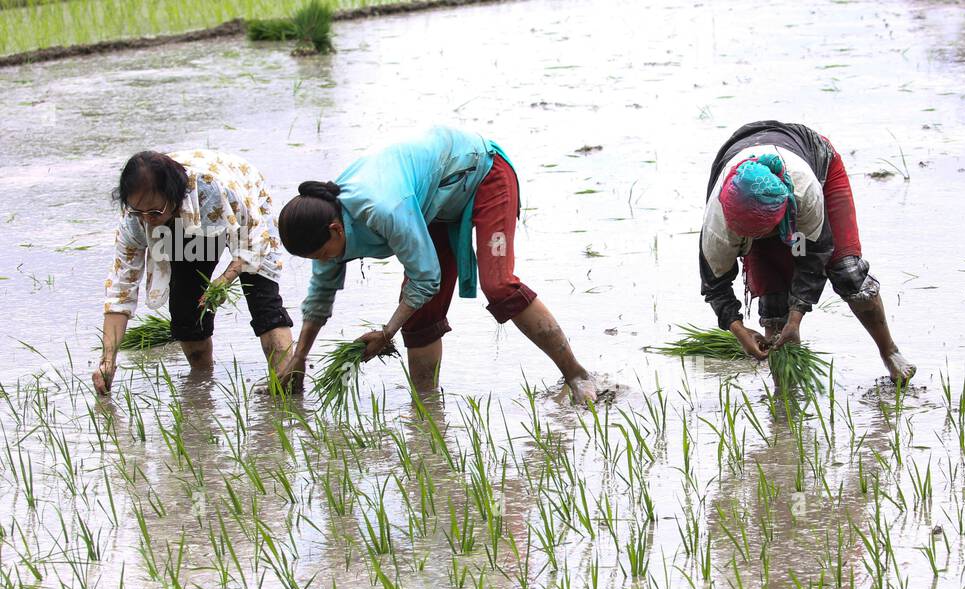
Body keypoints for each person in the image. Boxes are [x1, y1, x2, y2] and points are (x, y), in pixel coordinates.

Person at [275, 124, 596, 402]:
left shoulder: (383, 208)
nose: (323, 262)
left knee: (498, 285)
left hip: (482, 172)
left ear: (335, 229)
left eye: (321, 255)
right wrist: (299, 357)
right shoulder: (326, 222)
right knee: (420, 315)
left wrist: (386, 333)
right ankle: (427, 410)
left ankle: (577, 375)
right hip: (433, 204)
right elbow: (321, 292)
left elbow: (425, 278)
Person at [698, 120, 915, 382]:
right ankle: (786, 390)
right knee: (773, 300)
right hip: (750, 198)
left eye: (766, 233)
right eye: (753, 236)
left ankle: (888, 351)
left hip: (817, 164)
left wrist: (797, 317)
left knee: (848, 272)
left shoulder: (804, 191)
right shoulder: (719, 222)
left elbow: (815, 255)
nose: (766, 240)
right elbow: (714, 284)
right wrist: (738, 329)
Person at [95, 150, 295, 395]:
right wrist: (108, 361)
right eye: (139, 213)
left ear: (174, 196)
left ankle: (288, 390)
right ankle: (202, 388)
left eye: (154, 212)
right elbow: (121, 287)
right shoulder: (136, 217)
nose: (146, 220)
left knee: (263, 303)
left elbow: (254, 241)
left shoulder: (214, 190)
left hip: (238, 209)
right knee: (186, 312)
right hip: (181, 225)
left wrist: (224, 279)